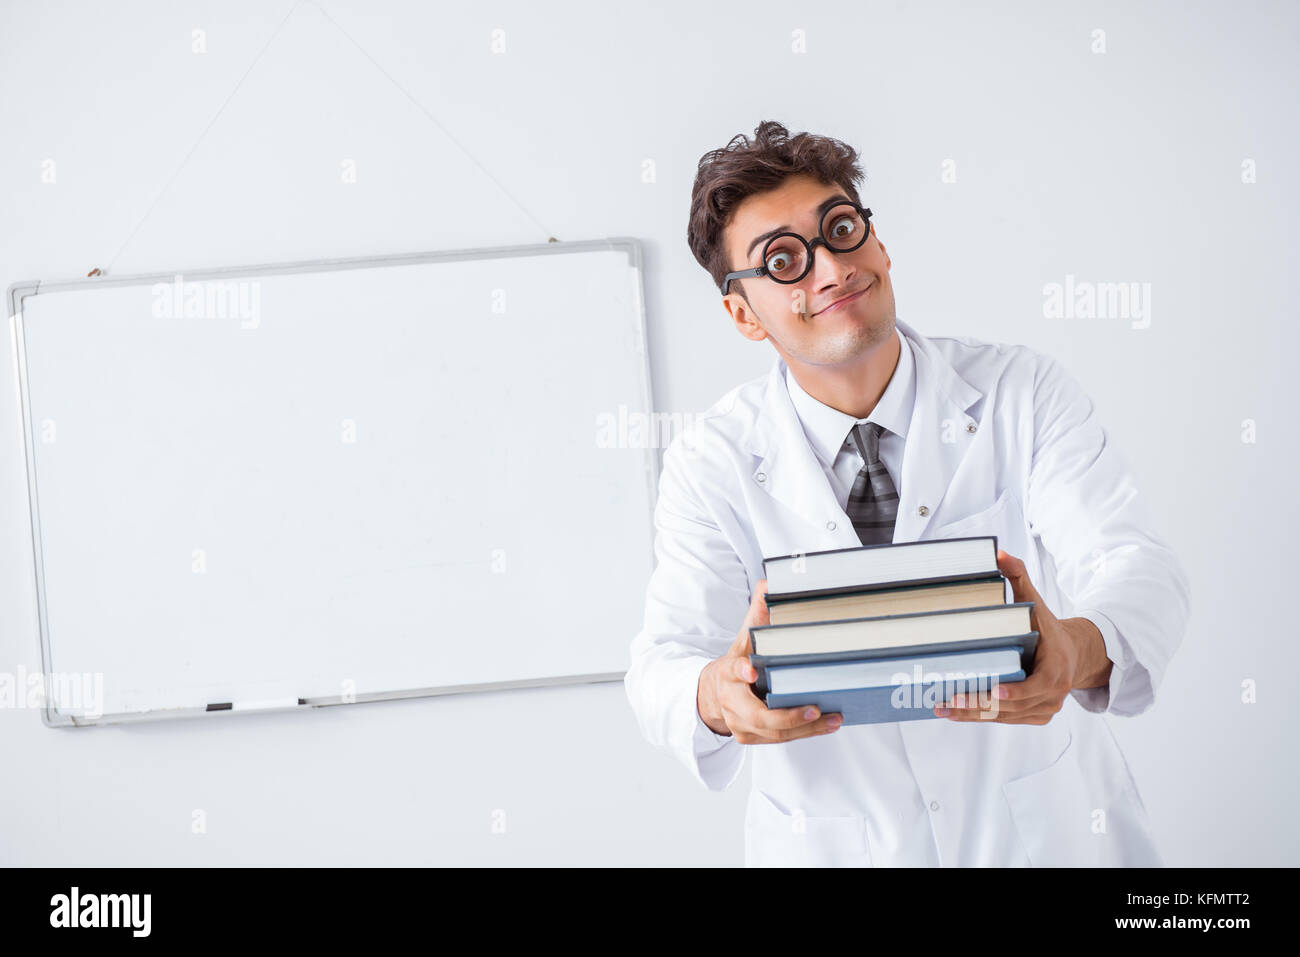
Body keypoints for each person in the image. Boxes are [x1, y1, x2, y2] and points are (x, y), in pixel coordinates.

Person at [623, 120, 1191, 867]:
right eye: (784, 260)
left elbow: (1136, 566)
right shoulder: (711, 462)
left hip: (1047, 836)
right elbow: (661, 662)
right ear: (742, 314)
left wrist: (1075, 650)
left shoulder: (1022, 393)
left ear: (878, 246)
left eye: (841, 229)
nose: (830, 269)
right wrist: (713, 695)